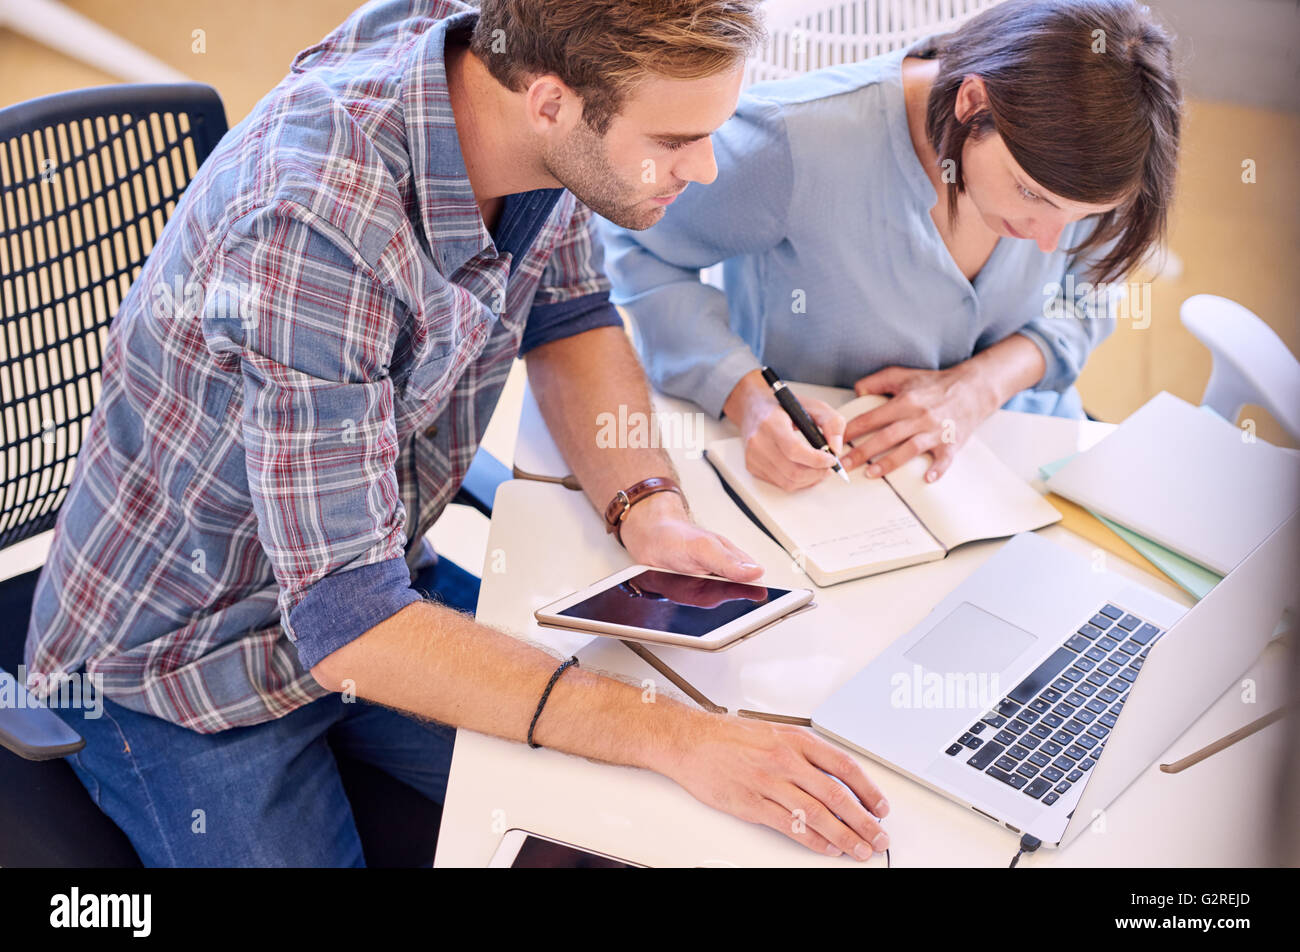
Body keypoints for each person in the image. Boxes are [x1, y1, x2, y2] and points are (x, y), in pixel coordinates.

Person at [24, 0, 892, 865]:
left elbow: (570, 312)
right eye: (671, 142)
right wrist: (671, 736)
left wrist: (647, 507)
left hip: (376, 585)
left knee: (648, 830)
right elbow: (349, 624)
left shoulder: (504, 68)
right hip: (183, 665)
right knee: (664, 745)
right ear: (549, 102)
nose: (703, 169)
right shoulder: (312, 227)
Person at [600, 0, 1182, 491]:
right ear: (973, 104)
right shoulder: (794, 143)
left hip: (1025, 454)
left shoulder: (1093, 165)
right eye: (1032, 195)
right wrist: (744, 396)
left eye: (1083, 218)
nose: (1050, 239)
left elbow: (1092, 291)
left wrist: (983, 383)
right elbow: (639, 250)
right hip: (836, 475)